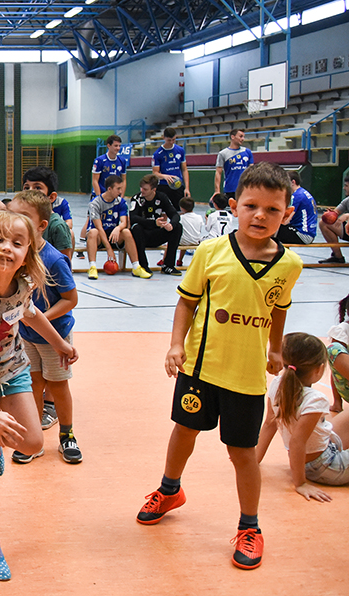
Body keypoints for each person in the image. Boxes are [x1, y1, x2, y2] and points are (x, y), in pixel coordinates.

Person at [137, 162, 303, 571]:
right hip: (199, 368)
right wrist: (176, 345)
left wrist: (276, 349)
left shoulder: (290, 265)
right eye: (251, 206)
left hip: (245, 377)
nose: (260, 216)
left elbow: (279, 307)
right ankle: (169, 490)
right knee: (185, 430)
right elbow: (187, 302)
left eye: (272, 210)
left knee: (242, 453)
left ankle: (250, 527)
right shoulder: (211, 252)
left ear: (287, 214)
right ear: (234, 206)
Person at [0, 211, 78, 581]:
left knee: (34, 441)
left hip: (12, 370)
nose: (7, 249)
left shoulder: (22, 285)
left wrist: (60, 344)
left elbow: (31, 313)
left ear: (27, 253)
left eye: (16, 243)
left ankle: (0, 441)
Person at [6, 191, 82, 464]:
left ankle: (67, 434)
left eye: (23, 217)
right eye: (12, 215)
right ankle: (34, 439)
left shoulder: (53, 260)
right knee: (33, 383)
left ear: (41, 225)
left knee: (57, 385)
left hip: (54, 335)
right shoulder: (16, 255)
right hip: (26, 335)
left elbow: (71, 299)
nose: (16, 221)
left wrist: (43, 320)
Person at [257, 332, 349, 500]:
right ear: (319, 370)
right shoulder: (316, 399)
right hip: (326, 466)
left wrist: (254, 459)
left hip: (316, 456)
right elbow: (297, 442)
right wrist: (300, 484)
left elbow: (270, 423)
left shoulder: (277, 384)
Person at [85, 175, 145, 279]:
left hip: (113, 235)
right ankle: (92, 267)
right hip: (99, 236)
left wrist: (118, 228)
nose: (121, 191)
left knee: (126, 232)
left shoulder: (121, 202)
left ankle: (136, 267)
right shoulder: (95, 203)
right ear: (109, 189)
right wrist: (109, 249)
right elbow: (99, 228)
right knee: (93, 232)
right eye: (118, 189)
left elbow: (124, 222)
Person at [128, 174, 183, 276]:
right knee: (136, 228)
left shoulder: (162, 197)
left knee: (177, 227)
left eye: (145, 189)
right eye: (141, 188)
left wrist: (171, 224)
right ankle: (143, 265)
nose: (142, 191)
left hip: (156, 234)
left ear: (154, 189)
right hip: (142, 235)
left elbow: (175, 214)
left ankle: (168, 265)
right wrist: (154, 223)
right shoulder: (136, 199)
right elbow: (133, 217)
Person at [21, 166, 73, 260]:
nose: (30, 191)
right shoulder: (21, 220)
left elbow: (64, 264)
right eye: (26, 187)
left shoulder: (57, 226)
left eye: (37, 187)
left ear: (52, 197)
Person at [152, 127, 191, 210]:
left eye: (173, 140)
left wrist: (187, 188)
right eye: (169, 140)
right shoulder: (158, 154)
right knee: (163, 212)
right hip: (164, 186)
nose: (171, 142)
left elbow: (184, 169)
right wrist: (165, 176)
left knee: (179, 211)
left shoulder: (180, 150)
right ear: (163, 138)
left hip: (177, 185)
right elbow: (155, 173)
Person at [274, 171, 317, 245]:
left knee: (273, 228)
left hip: (303, 235)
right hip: (309, 233)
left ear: (293, 182)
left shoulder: (297, 196)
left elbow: (286, 220)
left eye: (285, 183)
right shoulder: (303, 192)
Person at [317, 175, 349, 264]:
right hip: (348, 230)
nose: (344, 188)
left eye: (346, 186)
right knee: (324, 223)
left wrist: (347, 215)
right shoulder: (347, 201)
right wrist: (330, 215)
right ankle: (338, 256)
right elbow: (336, 212)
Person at [214, 128, 253, 200]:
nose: (243, 139)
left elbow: (252, 171)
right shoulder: (223, 153)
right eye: (240, 136)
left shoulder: (247, 152)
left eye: (243, 137)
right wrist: (217, 191)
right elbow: (218, 172)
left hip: (245, 189)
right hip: (230, 189)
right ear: (233, 137)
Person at [326, 293, 349, 414]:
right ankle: (337, 404)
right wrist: (337, 403)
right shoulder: (342, 330)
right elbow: (336, 367)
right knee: (334, 350)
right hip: (347, 384)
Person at [91, 134, 127, 199]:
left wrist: (121, 197)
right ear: (108, 146)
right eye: (115, 146)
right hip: (101, 195)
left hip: (115, 197)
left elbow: (123, 180)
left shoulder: (122, 161)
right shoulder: (99, 160)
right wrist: (99, 198)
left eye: (119, 146)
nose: (118, 148)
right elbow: (95, 180)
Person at [176, 197, 204, 268]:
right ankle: (192, 261)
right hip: (196, 241)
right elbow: (200, 229)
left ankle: (166, 260)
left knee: (178, 239)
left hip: (183, 242)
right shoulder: (199, 217)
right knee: (187, 237)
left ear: (181, 208)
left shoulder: (181, 218)